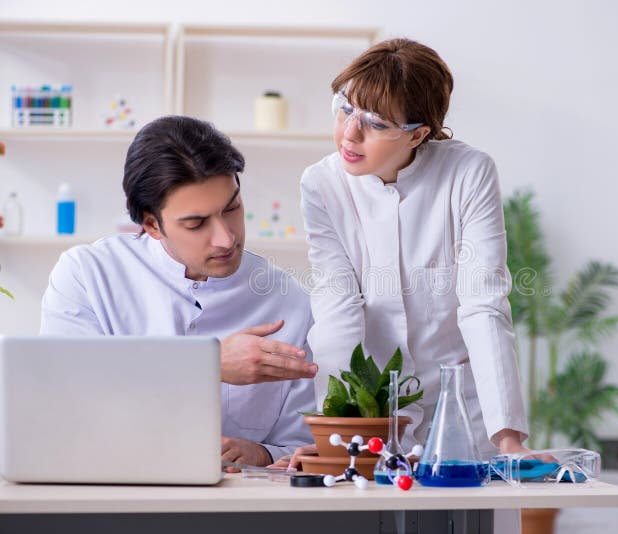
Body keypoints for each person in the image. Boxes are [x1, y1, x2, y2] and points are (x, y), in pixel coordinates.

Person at [297, 38, 529, 463]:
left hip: (462, 408)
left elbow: (483, 303)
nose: (350, 133)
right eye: (345, 107)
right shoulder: (321, 184)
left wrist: (508, 437)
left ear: (419, 133)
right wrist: (334, 432)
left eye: (376, 123)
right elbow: (337, 311)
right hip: (372, 413)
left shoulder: (468, 173)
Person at [40, 115, 317, 468]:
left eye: (232, 208)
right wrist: (207, 363)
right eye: (196, 223)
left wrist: (262, 454)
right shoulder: (87, 275)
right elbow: (66, 396)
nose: (226, 238)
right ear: (152, 224)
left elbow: (301, 443)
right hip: (111, 493)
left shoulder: (289, 300)